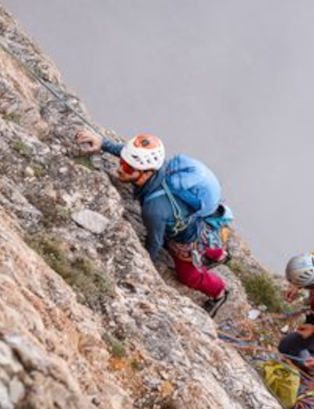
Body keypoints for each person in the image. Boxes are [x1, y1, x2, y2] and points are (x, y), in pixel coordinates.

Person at [75, 130, 229, 314]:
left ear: (147, 174)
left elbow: (155, 242)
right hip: (194, 219)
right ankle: (219, 255)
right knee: (199, 238)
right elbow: (132, 157)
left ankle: (219, 291)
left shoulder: (154, 209)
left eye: (128, 168)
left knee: (189, 276)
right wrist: (103, 143)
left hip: (186, 237)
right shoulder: (162, 167)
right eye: (123, 163)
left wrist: (144, 263)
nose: (120, 169)